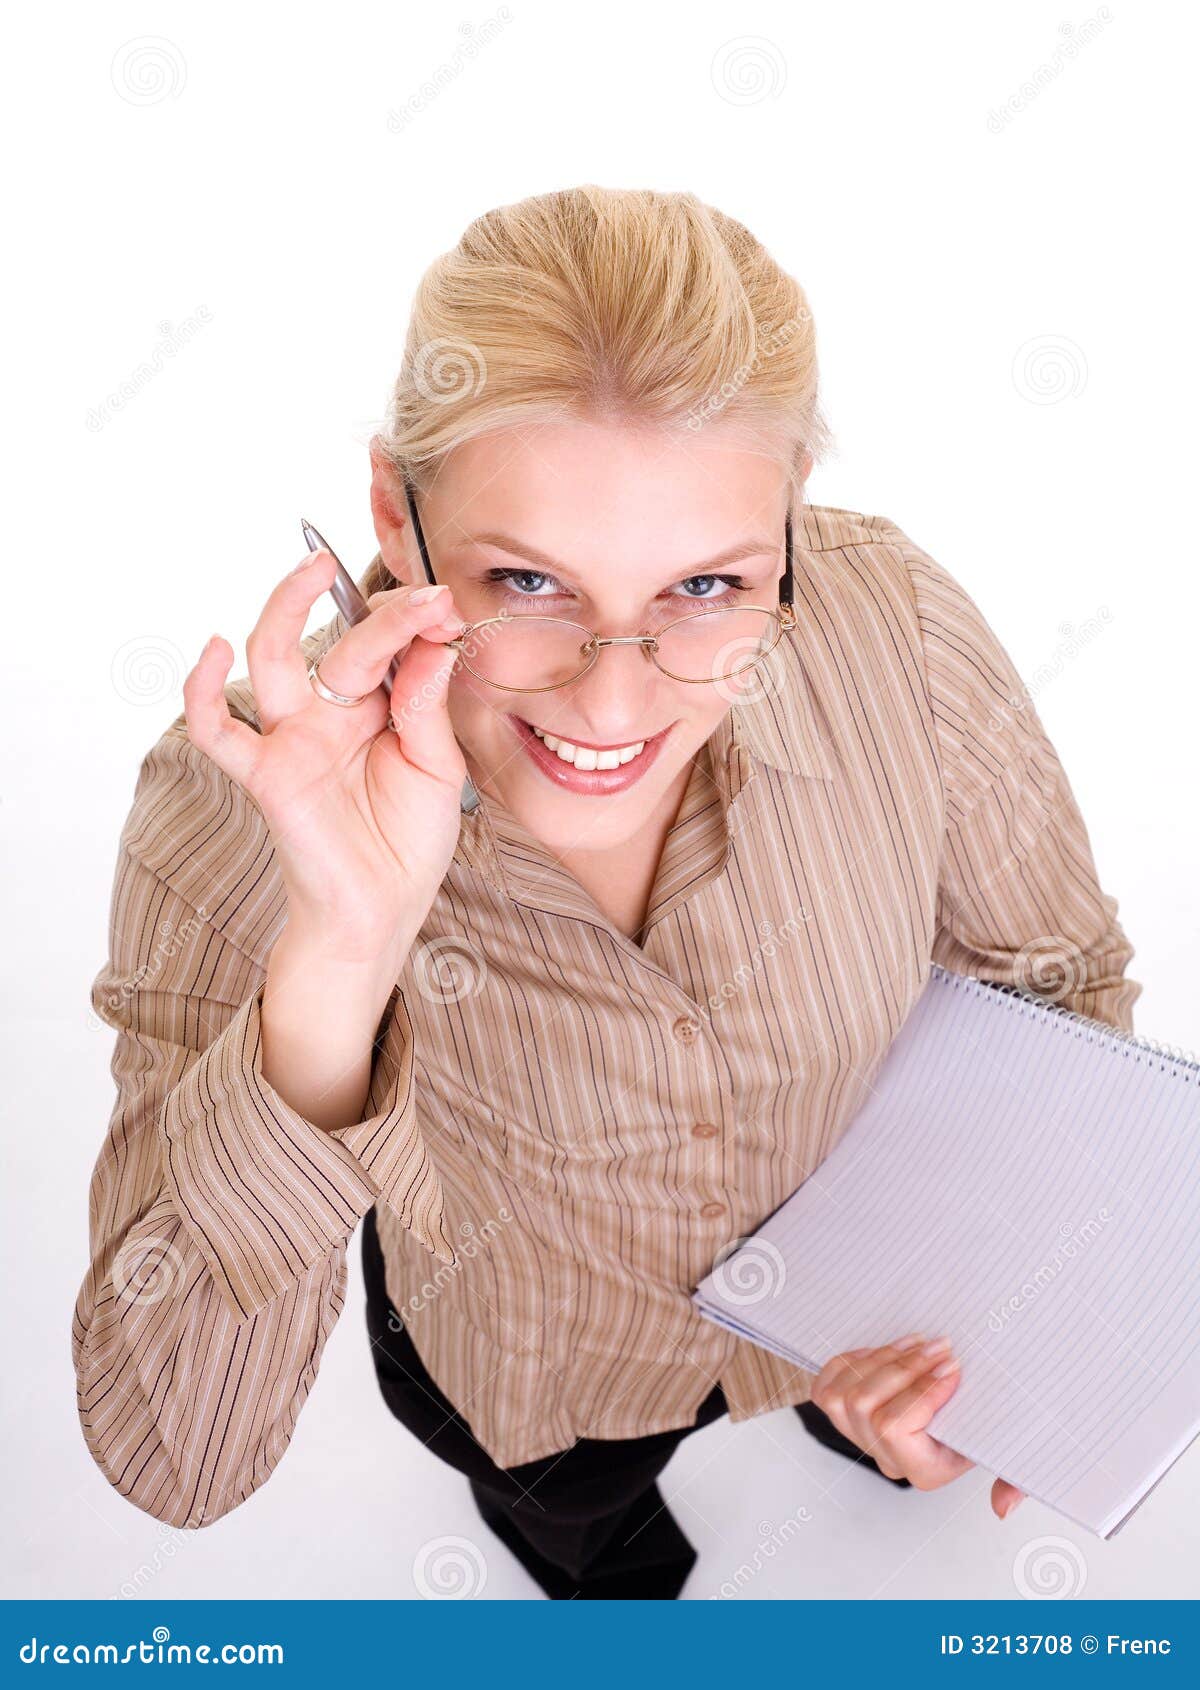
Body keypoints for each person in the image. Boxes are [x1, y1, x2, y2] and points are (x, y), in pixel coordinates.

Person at [73, 186, 1141, 1600]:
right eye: (527, 579)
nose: (618, 695)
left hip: (849, 1305)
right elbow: (171, 1461)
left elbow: (1052, 986)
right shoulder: (238, 799)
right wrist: (340, 953)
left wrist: (993, 1319)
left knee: (836, 1415)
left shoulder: (893, 620)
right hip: (539, 1380)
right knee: (585, 1530)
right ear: (394, 511)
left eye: (708, 582)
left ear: (788, 523)